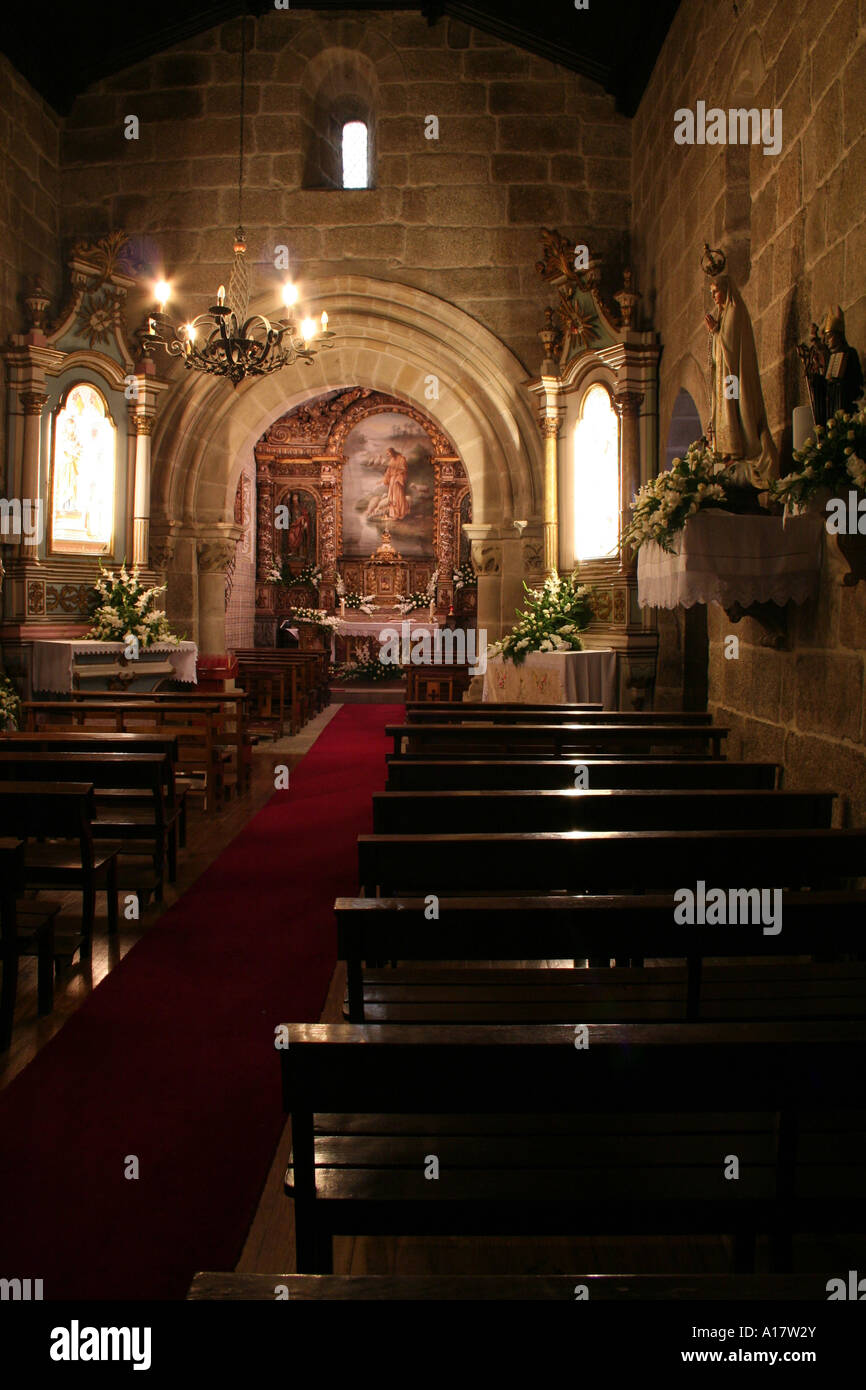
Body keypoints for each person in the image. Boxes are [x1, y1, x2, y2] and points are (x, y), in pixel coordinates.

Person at [702, 251, 779, 491]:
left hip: (733, 378)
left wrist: (715, 331)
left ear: (725, 290)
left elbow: (731, 349)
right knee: (727, 409)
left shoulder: (734, 312)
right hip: (726, 378)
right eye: (712, 293)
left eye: (716, 292)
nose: (714, 297)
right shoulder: (724, 314)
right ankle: (730, 453)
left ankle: (739, 448)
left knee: (736, 407)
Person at [383, 447, 410, 520]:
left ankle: (400, 513)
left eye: (388, 453)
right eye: (387, 454)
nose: (388, 455)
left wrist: (397, 474)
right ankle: (394, 514)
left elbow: (404, 469)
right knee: (391, 496)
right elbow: (388, 471)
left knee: (398, 496)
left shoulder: (401, 459)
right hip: (392, 480)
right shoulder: (391, 460)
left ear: (392, 452)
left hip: (397, 480)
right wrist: (386, 479)